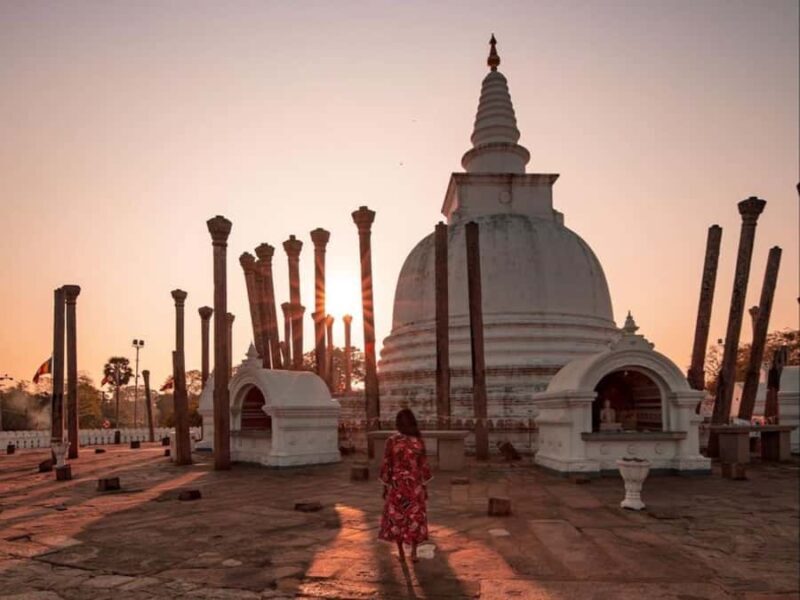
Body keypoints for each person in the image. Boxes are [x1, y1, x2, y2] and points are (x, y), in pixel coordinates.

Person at [378, 408, 432, 562]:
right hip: (415, 485)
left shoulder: (392, 441)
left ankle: (401, 551)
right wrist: (424, 487)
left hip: (397, 485)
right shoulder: (418, 441)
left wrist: (385, 487)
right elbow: (423, 466)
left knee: (397, 518)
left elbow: (387, 464)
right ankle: (414, 552)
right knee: (414, 517)